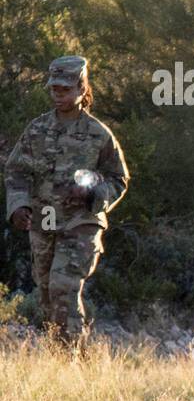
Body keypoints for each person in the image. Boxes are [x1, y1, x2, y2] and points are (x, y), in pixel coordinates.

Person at [5, 56, 129, 354]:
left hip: (81, 223)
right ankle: (68, 355)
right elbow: (16, 170)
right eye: (54, 89)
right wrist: (19, 205)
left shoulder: (99, 134)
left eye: (65, 89)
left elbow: (118, 180)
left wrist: (92, 194)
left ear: (81, 88)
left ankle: (68, 357)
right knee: (46, 291)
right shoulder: (37, 129)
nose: (58, 94)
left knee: (64, 286)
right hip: (45, 219)